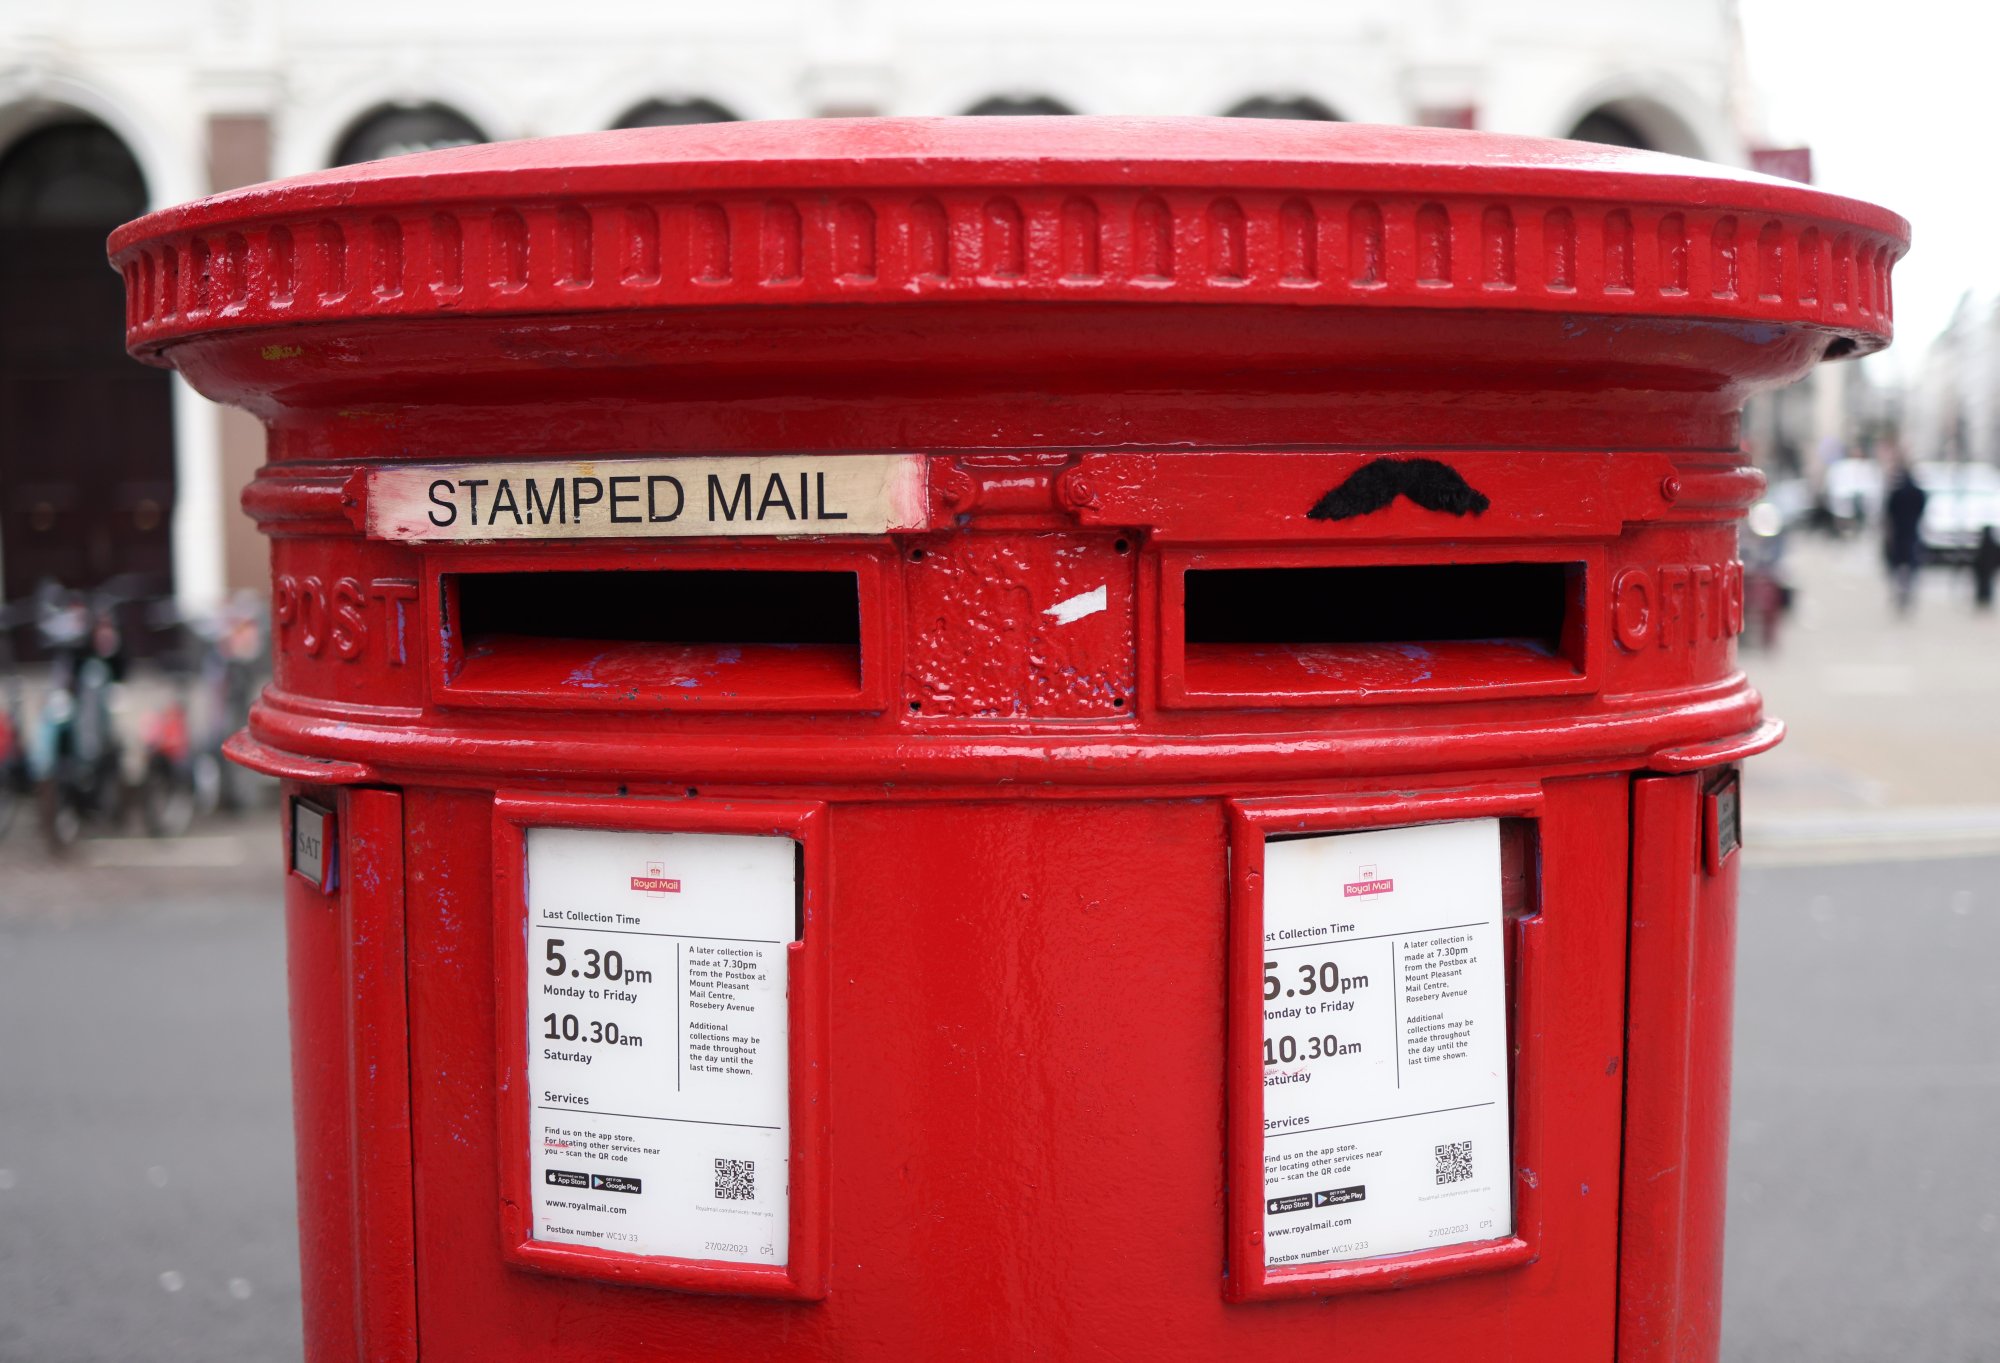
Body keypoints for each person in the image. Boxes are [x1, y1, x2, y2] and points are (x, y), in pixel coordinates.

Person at [1883, 465, 1927, 615]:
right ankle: (1906, 591)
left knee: (1898, 564)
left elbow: (1889, 513)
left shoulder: (1896, 493)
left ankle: (1901, 591)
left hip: (1899, 533)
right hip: (1911, 532)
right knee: (1911, 564)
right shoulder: (1917, 493)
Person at [1974, 525, 2000, 611]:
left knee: (1985, 585)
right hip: (1987, 570)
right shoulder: (1991, 543)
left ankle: (1984, 599)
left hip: (1984, 570)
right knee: (1986, 585)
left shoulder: (1984, 543)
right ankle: (1984, 599)